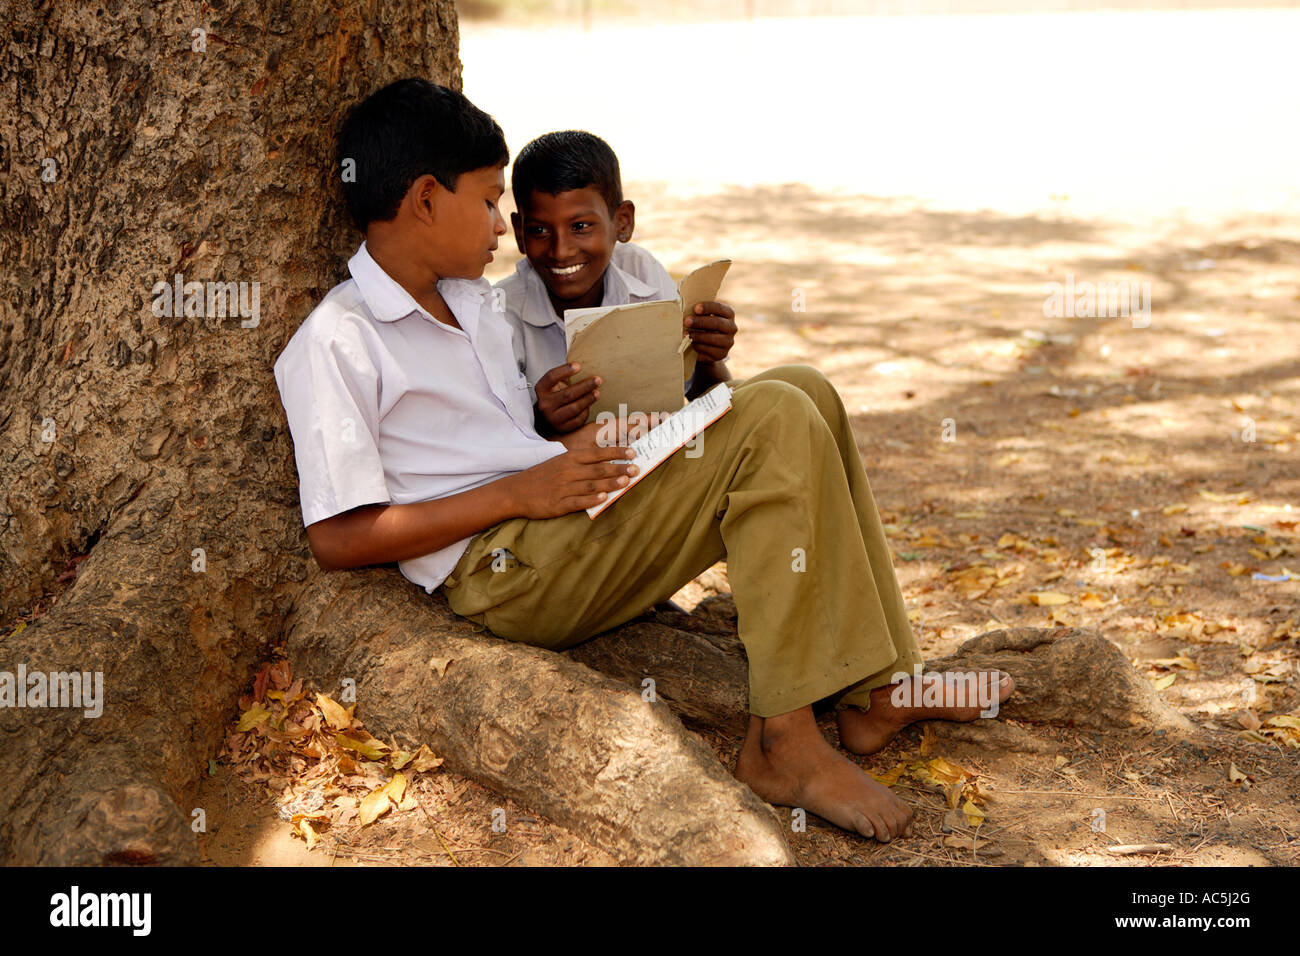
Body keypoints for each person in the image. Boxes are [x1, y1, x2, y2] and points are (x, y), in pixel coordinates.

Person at [273, 78, 1014, 844]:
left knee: (804, 390)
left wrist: (576, 447)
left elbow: (504, 445)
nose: (501, 226)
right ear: (426, 199)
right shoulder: (340, 338)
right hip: (504, 572)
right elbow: (338, 539)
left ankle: (877, 689)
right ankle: (784, 745)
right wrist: (519, 493)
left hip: (562, 510)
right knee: (774, 418)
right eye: (491, 201)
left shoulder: (469, 305)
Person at [494, 130, 736, 435]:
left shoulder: (640, 272)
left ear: (622, 222)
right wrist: (540, 422)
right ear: (519, 232)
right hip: (588, 478)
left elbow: (699, 390)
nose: (560, 250)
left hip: (664, 454)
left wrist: (705, 356)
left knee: (799, 383)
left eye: (580, 226)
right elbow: (494, 451)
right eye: (539, 230)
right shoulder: (500, 315)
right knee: (781, 403)